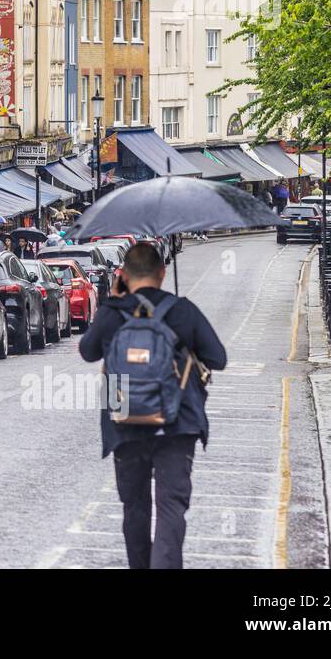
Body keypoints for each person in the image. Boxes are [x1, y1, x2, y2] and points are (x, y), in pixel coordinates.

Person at [79, 241, 227, 569]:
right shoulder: (182, 310)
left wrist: (111, 303)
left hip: (124, 419)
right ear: (162, 272)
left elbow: (87, 352)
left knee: (134, 508)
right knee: (171, 507)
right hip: (178, 421)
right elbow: (218, 358)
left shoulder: (111, 313)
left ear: (122, 275)